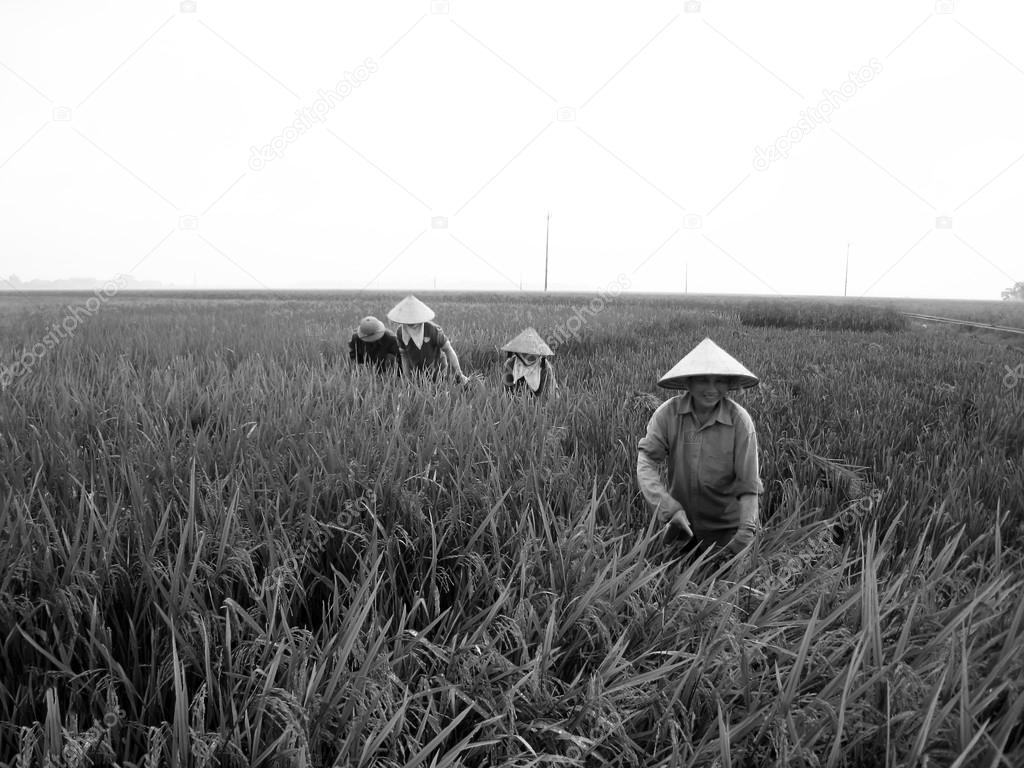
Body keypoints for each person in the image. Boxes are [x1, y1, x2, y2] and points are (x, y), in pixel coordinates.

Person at [636, 337, 763, 557]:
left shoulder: (740, 423)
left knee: (726, 590)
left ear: (729, 384)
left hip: (728, 531)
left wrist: (745, 533)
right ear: (688, 382)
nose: (712, 389)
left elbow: (748, 484)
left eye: (719, 381)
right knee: (674, 587)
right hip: (681, 526)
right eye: (703, 380)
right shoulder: (668, 415)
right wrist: (668, 508)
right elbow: (646, 461)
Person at [387, 295, 470, 384]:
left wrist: (459, 374)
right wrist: (407, 378)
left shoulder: (432, 330)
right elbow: (404, 355)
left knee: (440, 391)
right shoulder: (400, 332)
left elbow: (448, 349)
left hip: (438, 371)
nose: (412, 322)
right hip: (417, 374)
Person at [500, 327, 557, 397]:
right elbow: (506, 391)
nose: (529, 355)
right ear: (518, 352)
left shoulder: (544, 367)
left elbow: (547, 394)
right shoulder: (510, 364)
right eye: (525, 352)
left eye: (533, 353)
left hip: (537, 401)